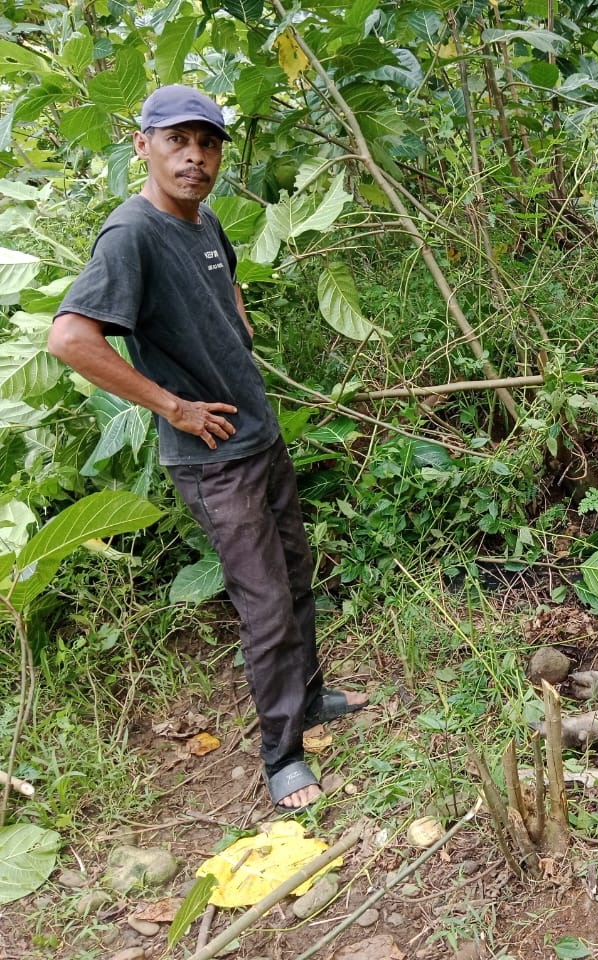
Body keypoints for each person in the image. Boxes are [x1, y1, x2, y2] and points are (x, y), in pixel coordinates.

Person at [48, 85, 367, 812]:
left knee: (293, 574)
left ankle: (311, 701)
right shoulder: (130, 235)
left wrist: (236, 332)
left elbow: (226, 295)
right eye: (176, 141)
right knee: (263, 604)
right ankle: (283, 756)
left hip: (257, 433)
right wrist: (173, 406)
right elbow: (70, 339)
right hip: (212, 457)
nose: (194, 156)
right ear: (143, 146)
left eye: (208, 142)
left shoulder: (204, 221)